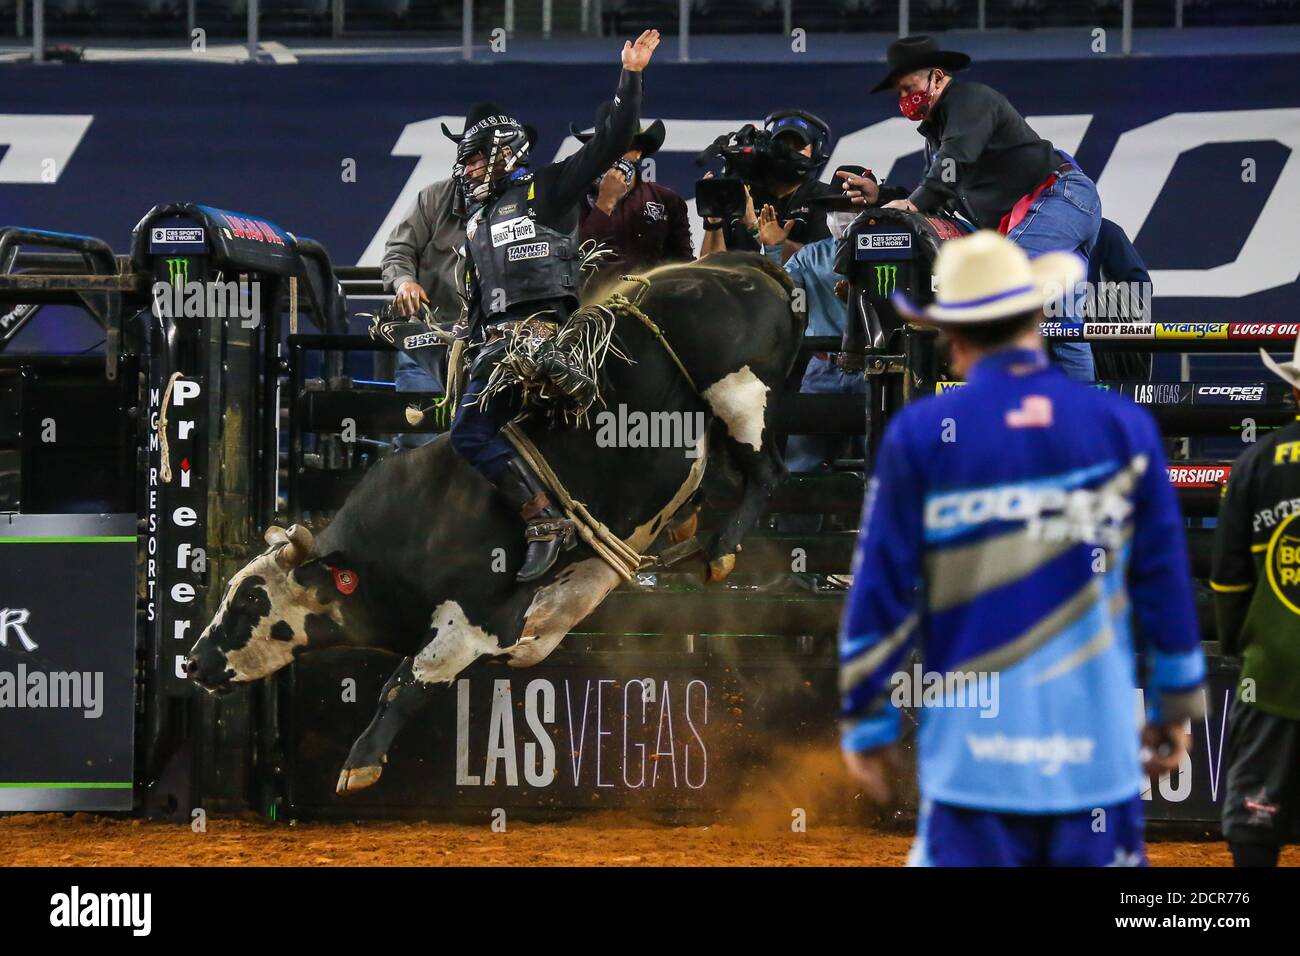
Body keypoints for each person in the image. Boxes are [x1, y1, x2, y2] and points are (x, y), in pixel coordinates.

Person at [839, 230, 1206, 867]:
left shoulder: (923, 434)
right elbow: (1164, 580)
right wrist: (1176, 702)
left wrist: (867, 718)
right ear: (1040, 316)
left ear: (951, 335)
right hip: (1094, 763)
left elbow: (880, 589)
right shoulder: (1120, 427)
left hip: (973, 770)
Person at [447, 29, 661, 583]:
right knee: (466, 434)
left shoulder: (549, 188)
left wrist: (630, 75)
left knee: (486, 415)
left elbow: (612, 139)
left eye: (473, 159)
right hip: (494, 343)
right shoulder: (476, 221)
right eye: (464, 161)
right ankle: (540, 524)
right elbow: (478, 299)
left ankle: (554, 516)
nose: (466, 170)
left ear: (503, 153)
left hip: (548, 329)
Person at [848, 35, 1102, 382]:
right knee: (1061, 328)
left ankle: (996, 402)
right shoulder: (940, 131)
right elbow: (944, 192)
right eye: (900, 94)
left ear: (937, 76)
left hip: (1059, 197)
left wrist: (913, 202)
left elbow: (952, 165)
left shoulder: (969, 99)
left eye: (910, 88)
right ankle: (1080, 418)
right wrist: (882, 195)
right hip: (1054, 207)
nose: (906, 100)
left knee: (1002, 286)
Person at [1210, 336, 1300, 867]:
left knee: (1255, 814)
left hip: (1275, 669)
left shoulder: (1256, 462)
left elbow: (1227, 579)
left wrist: (1241, 647)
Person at [757, 167, 870, 474]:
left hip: (875, 371)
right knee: (802, 468)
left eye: (854, 208)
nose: (846, 216)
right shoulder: (811, 257)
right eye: (839, 209)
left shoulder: (892, 253)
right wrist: (772, 249)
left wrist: (864, 296)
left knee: (878, 470)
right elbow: (778, 298)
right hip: (824, 370)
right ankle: (799, 522)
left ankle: (876, 522)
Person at [381, 164, 471, 449]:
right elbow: (398, 250)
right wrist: (404, 282)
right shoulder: (434, 198)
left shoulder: (520, 200)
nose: (476, 165)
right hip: (430, 335)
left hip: (495, 338)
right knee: (418, 433)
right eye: (471, 155)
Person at [699, 110, 837, 262]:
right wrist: (714, 222)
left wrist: (755, 227)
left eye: (798, 146)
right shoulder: (741, 193)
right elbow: (710, 267)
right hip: (740, 283)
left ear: (816, 152)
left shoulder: (823, 197)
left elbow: (819, 264)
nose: (787, 151)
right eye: (781, 144)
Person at [573, 104, 692, 275]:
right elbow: (574, 262)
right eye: (604, 147)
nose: (612, 155)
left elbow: (683, 266)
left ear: (638, 152)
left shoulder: (666, 201)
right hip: (593, 299)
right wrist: (604, 203)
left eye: (622, 147)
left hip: (649, 297)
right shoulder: (573, 201)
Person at [1087, 218, 1154, 381]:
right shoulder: (1026, 231)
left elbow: (1140, 287)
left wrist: (1090, 312)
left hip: (1092, 349)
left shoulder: (1104, 230)